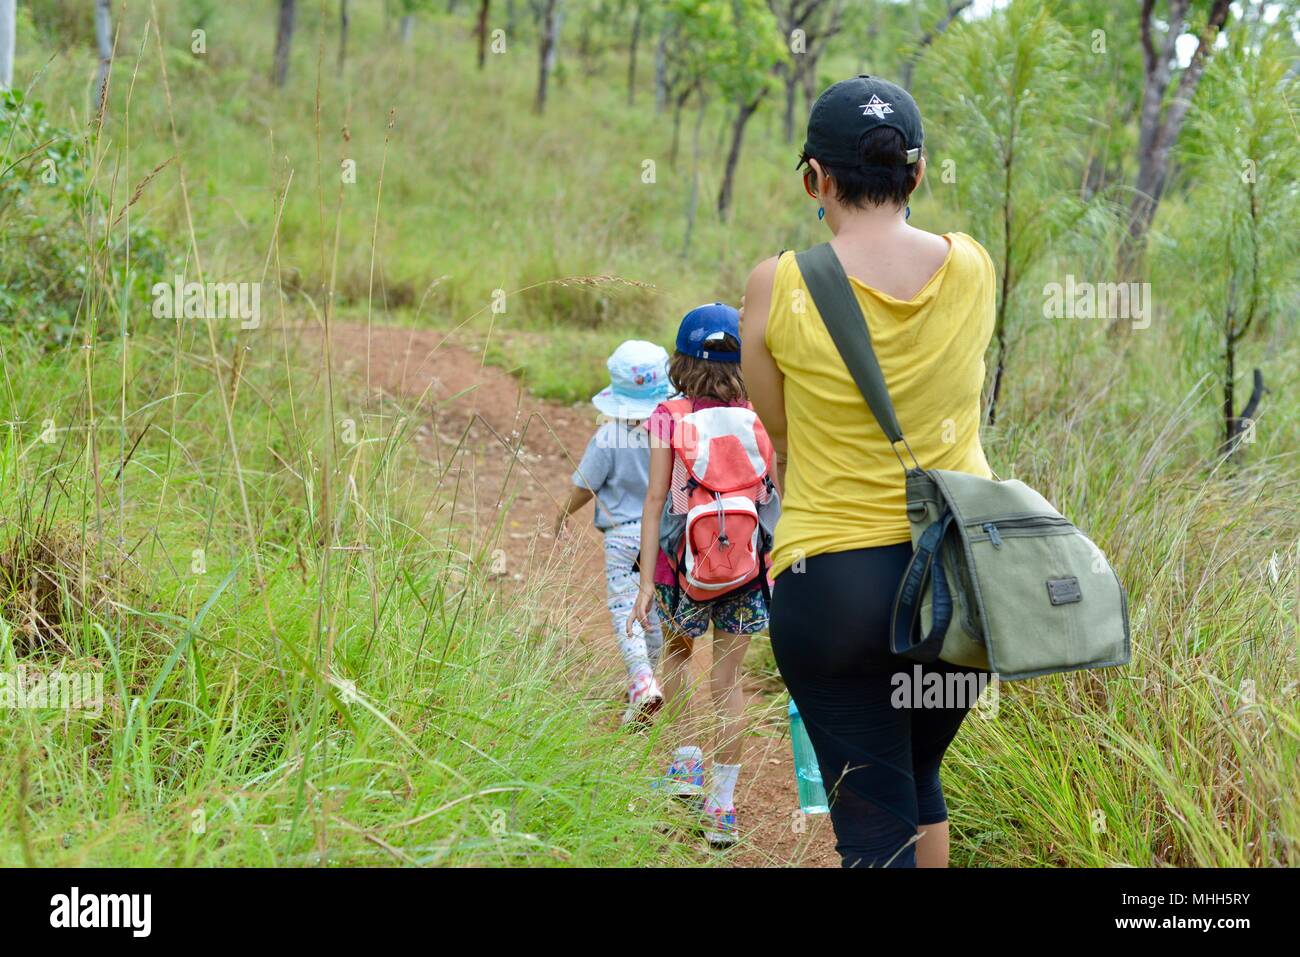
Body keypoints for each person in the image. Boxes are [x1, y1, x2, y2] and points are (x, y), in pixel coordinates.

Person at [740, 76, 995, 868]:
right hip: (959, 595)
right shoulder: (973, 267)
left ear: (815, 178)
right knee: (918, 776)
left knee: (875, 829)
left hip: (838, 592)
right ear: (916, 174)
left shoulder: (776, 284)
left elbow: (778, 426)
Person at [628, 303, 773, 849]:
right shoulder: (760, 410)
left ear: (680, 358)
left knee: (679, 657)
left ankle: (685, 766)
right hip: (746, 570)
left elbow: (655, 498)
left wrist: (645, 581)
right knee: (729, 683)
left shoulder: (669, 414)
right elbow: (772, 495)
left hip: (680, 568)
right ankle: (723, 806)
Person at [555, 340, 669, 726]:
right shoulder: (672, 433)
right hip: (664, 537)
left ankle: (640, 681)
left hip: (623, 537)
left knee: (626, 608)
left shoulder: (607, 436)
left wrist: (560, 516)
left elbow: (585, 486)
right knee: (652, 613)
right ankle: (645, 682)